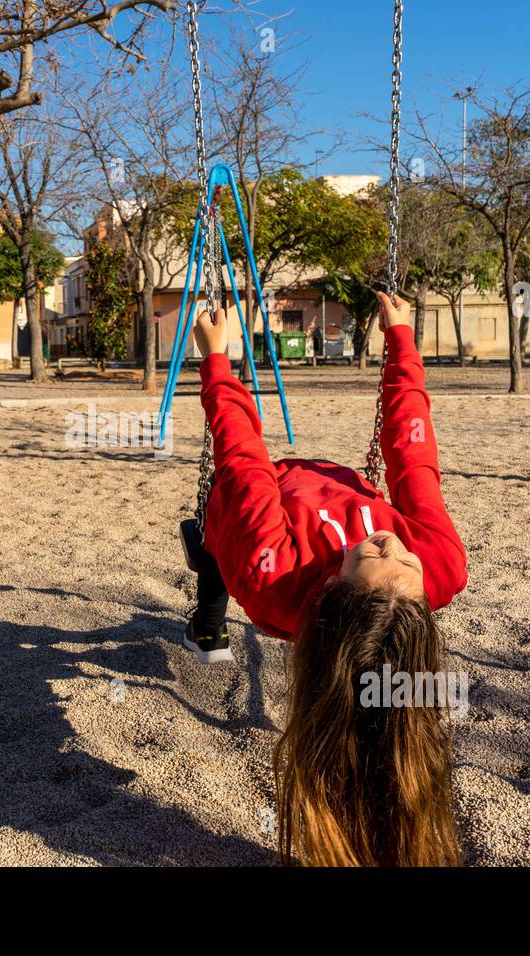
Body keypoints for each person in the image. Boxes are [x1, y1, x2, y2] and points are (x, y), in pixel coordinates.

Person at [184, 292, 468, 866]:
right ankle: (208, 595)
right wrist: (403, 343)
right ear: (421, 600)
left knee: (221, 528)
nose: (391, 541)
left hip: (263, 504)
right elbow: (413, 453)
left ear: (336, 587)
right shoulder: (439, 561)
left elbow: (244, 460)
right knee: (230, 535)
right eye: (403, 560)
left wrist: (217, 361)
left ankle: (208, 600)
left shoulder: (278, 572)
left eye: (372, 554)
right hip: (333, 482)